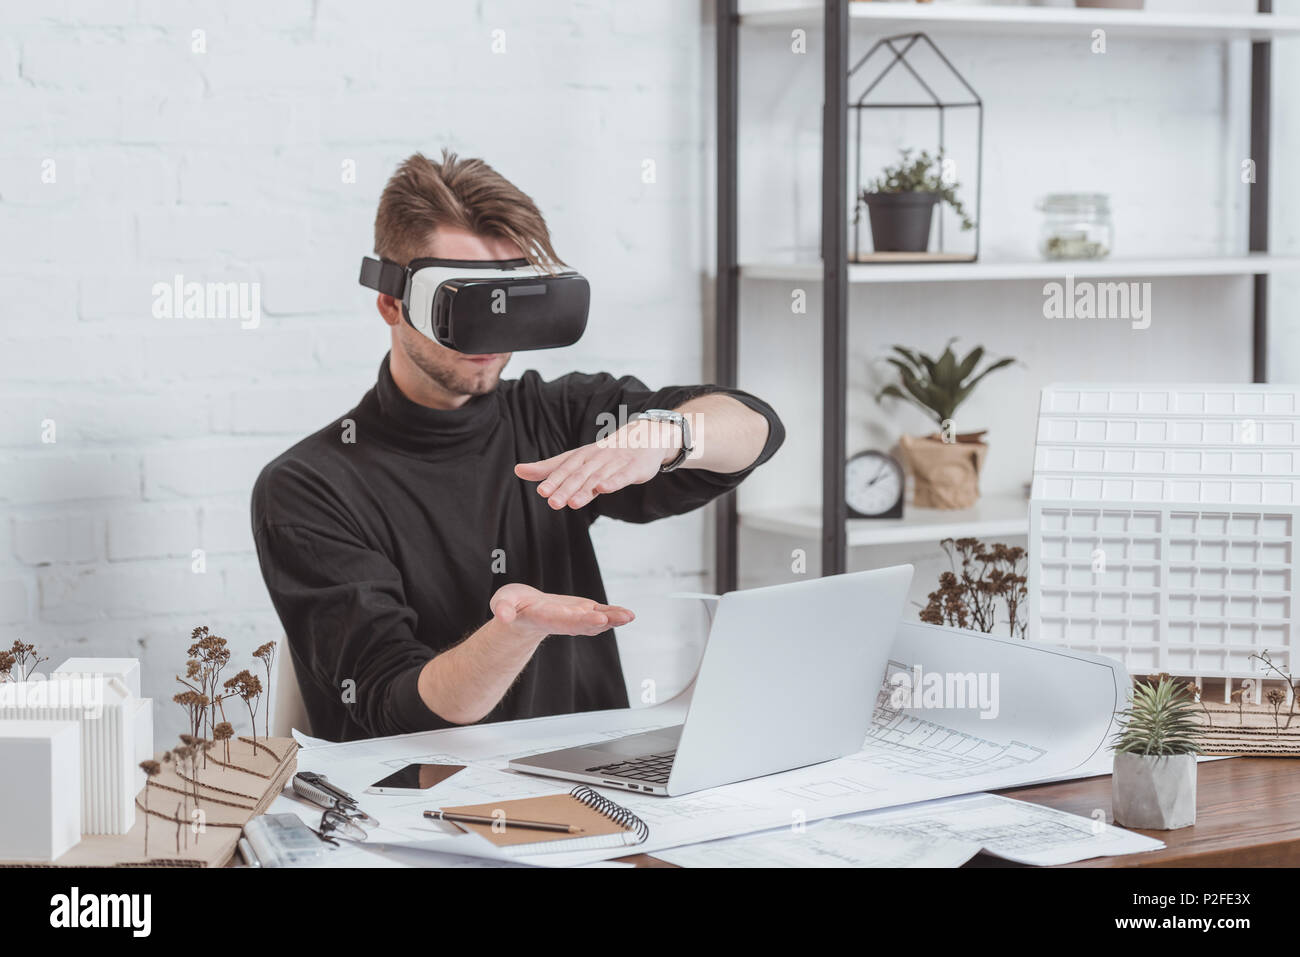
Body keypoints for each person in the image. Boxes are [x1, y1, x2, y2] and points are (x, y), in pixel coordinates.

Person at [251, 151, 784, 742]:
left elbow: (757, 428)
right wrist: (514, 632)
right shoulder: (309, 486)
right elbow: (393, 704)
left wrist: (664, 436)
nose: (491, 332)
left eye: (506, 298)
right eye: (464, 303)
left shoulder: (555, 415)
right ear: (391, 304)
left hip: (598, 781)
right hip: (415, 809)